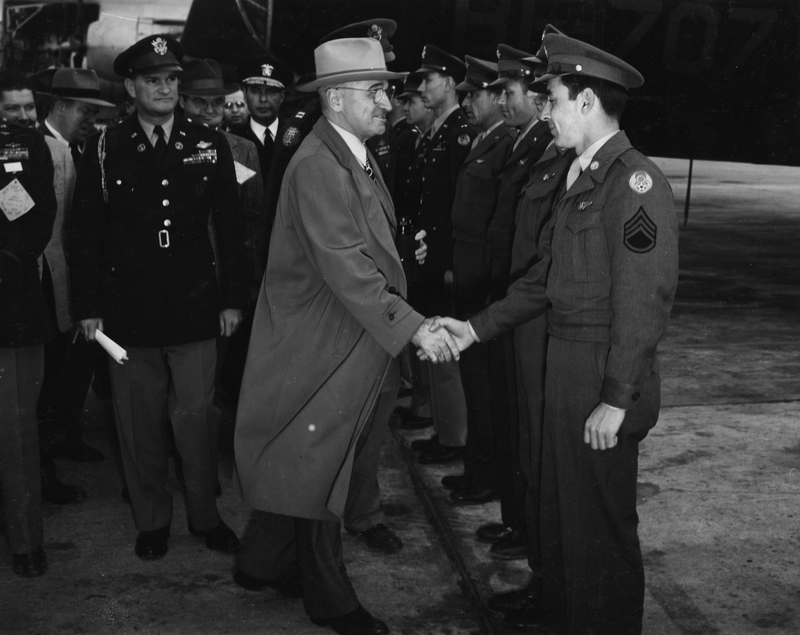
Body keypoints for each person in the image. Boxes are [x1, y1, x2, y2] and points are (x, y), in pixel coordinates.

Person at [435, 32, 679, 635]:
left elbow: (645, 302)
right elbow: (543, 279)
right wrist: (472, 329)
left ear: (588, 103)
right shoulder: (580, 175)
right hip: (563, 366)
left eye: (553, 99)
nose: (546, 112)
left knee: (600, 522)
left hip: (599, 371)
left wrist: (616, 398)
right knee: (558, 507)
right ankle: (564, 613)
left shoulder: (634, 183)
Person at [234, 37, 459, 635]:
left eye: (388, 89)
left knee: (305, 458)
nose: (389, 101)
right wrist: (415, 329)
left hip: (345, 335)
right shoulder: (319, 165)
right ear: (335, 99)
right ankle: (329, 599)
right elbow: (348, 266)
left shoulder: (351, 151)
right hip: (321, 341)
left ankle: (261, 561)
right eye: (376, 90)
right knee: (321, 469)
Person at [67, 34, 247, 561]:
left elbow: (232, 231)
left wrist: (232, 299)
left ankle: (204, 517)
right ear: (131, 86)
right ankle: (151, 521)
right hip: (128, 311)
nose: (165, 88)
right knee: (138, 423)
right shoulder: (105, 146)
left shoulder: (208, 143)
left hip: (195, 307)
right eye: (153, 80)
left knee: (195, 421)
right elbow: (85, 234)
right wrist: (87, 308)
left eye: (171, 79)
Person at [476, 43, 553, 561]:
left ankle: (528, 531)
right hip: (514, 307)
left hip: (533, 319)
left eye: (511, 91)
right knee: (514, 424)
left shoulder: (555, 152)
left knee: (531, 433)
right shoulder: (539, 148)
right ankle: (518, 523)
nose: (505, 101)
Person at [446, 56, 516, 505]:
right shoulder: (484, 140)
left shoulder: (506, 143)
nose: (467, 102)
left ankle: (486, 477)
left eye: (476, 94)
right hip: (470, 281)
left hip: (484, 286)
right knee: (474, 385)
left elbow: (499, 227)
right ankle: (477, 470)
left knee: (487, 389)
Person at [37, 69, 111, 476]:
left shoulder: (83, 148)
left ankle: (67, 435)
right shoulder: (41, 148)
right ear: (60, 106)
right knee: (50, 373)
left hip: (80, 280)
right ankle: (43, 457)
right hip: (50, 281)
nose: (90, 119)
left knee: (76, 366)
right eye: (85, 110)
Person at [0, 70, 57, 577]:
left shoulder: (25, 148)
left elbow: (33, 218)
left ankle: (25, 543)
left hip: (10, 308)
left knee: (15, 432)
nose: (18, 116)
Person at [406, 45, 475, 465]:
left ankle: (453, 437)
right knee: (434, 345)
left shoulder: (457, 134)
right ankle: (442, 426)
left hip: (441, 259)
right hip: (426, 257)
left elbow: (456, 208)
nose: (422, 87)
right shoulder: (434, 133)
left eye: (429, 79)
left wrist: (448, 263)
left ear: (449, 83)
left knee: (446, 349)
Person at [234, 56, 293, 184]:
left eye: (271, 92)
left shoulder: (295, 134)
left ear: (282, 97)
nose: (263, 99)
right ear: (244, 94)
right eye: (255, 91)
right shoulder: (233, 139)